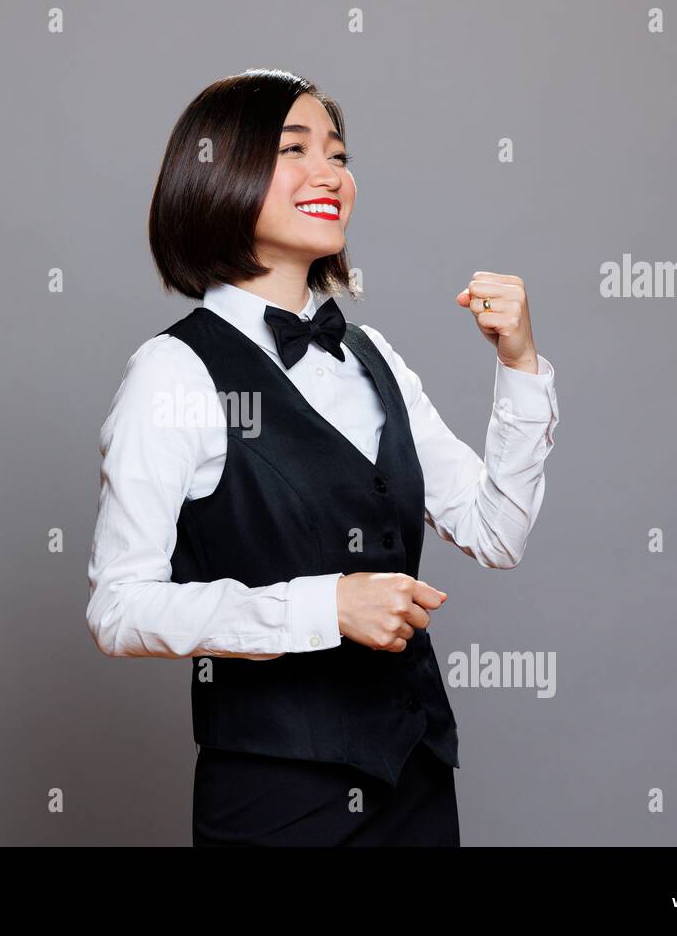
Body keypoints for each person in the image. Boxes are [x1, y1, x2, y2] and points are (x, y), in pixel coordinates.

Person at [85, 68, 560, 846]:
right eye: (293, 149)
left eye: (338, 155)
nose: (329, 175)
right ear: (220, 172)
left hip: (417, 781)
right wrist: (325, 606)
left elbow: (496, 532)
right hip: (277, 801)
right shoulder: (173, 372)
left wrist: (518, 364)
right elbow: (119, 609)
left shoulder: (373, 358)